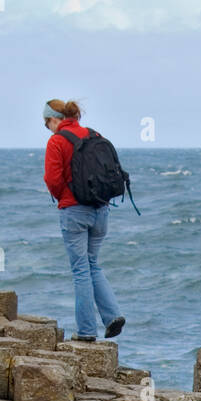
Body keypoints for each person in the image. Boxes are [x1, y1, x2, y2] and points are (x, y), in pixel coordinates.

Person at [43, 99, 125, 342]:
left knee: (80, 270)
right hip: (101, 209)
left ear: (55, 119)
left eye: (47, 122)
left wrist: (64, 197)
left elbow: (52, 180)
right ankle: (112, 316)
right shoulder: (94, 135)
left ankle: (87, 331)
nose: (47, 127)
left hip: (75, 211)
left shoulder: (57, 141)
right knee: (92, 264)